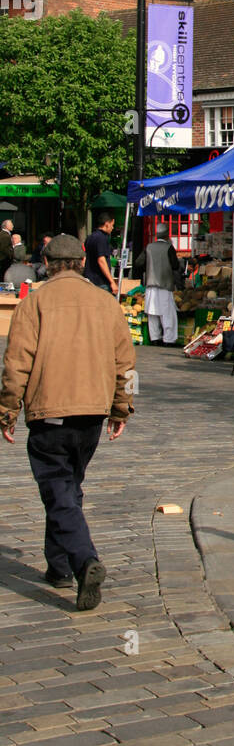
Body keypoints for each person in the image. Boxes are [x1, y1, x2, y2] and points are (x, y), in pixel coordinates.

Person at [0, 234, 135, 610]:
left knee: (58, 489)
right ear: (80, 261)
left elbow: (16, 364)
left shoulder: (35, 302)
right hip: (91, 413)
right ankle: (57, 565)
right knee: (67, 487)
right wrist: (121, 407)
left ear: (47, 261)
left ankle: (83, 559)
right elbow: (125, 363)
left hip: (50, 412)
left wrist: (7, 411)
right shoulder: (106, 303)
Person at [133, 224, 181, 347]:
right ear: (166, 235)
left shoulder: (148, 247)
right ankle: (168, 339)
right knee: (167, 313)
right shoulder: (169, 248)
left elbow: (138, 262)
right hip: (165, 285)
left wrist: (148, 267)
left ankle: (155, 338)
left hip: (150, 284)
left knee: (152, 313)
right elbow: (175, 265)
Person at [83, 212, 117, 294]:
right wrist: (112, 282)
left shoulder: (90, 237)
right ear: (107, 224)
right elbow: (101, 260)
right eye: (112, 225)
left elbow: (84, 257)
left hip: (89, 279)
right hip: (100, 281)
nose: (112, 228)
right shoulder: (101, 238)